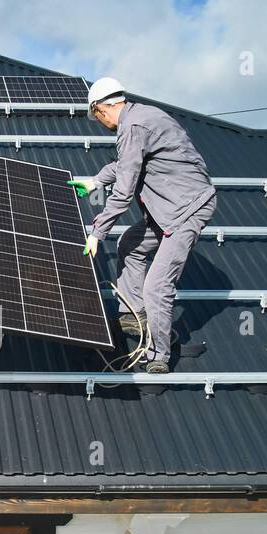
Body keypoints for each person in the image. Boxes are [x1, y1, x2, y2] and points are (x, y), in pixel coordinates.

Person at [73, 77, 217, 373]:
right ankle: (133, 315)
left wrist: (97, 233)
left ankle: (158, 354)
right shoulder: (142, 116)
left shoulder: (132, 127)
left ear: (100, 109)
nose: (99, 122)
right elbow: (126, 165)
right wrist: (95, 180)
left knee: (157, 286)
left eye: (96, 117)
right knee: (129, 245)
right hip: (166, 208)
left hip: (186, 209)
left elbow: (124, 191)